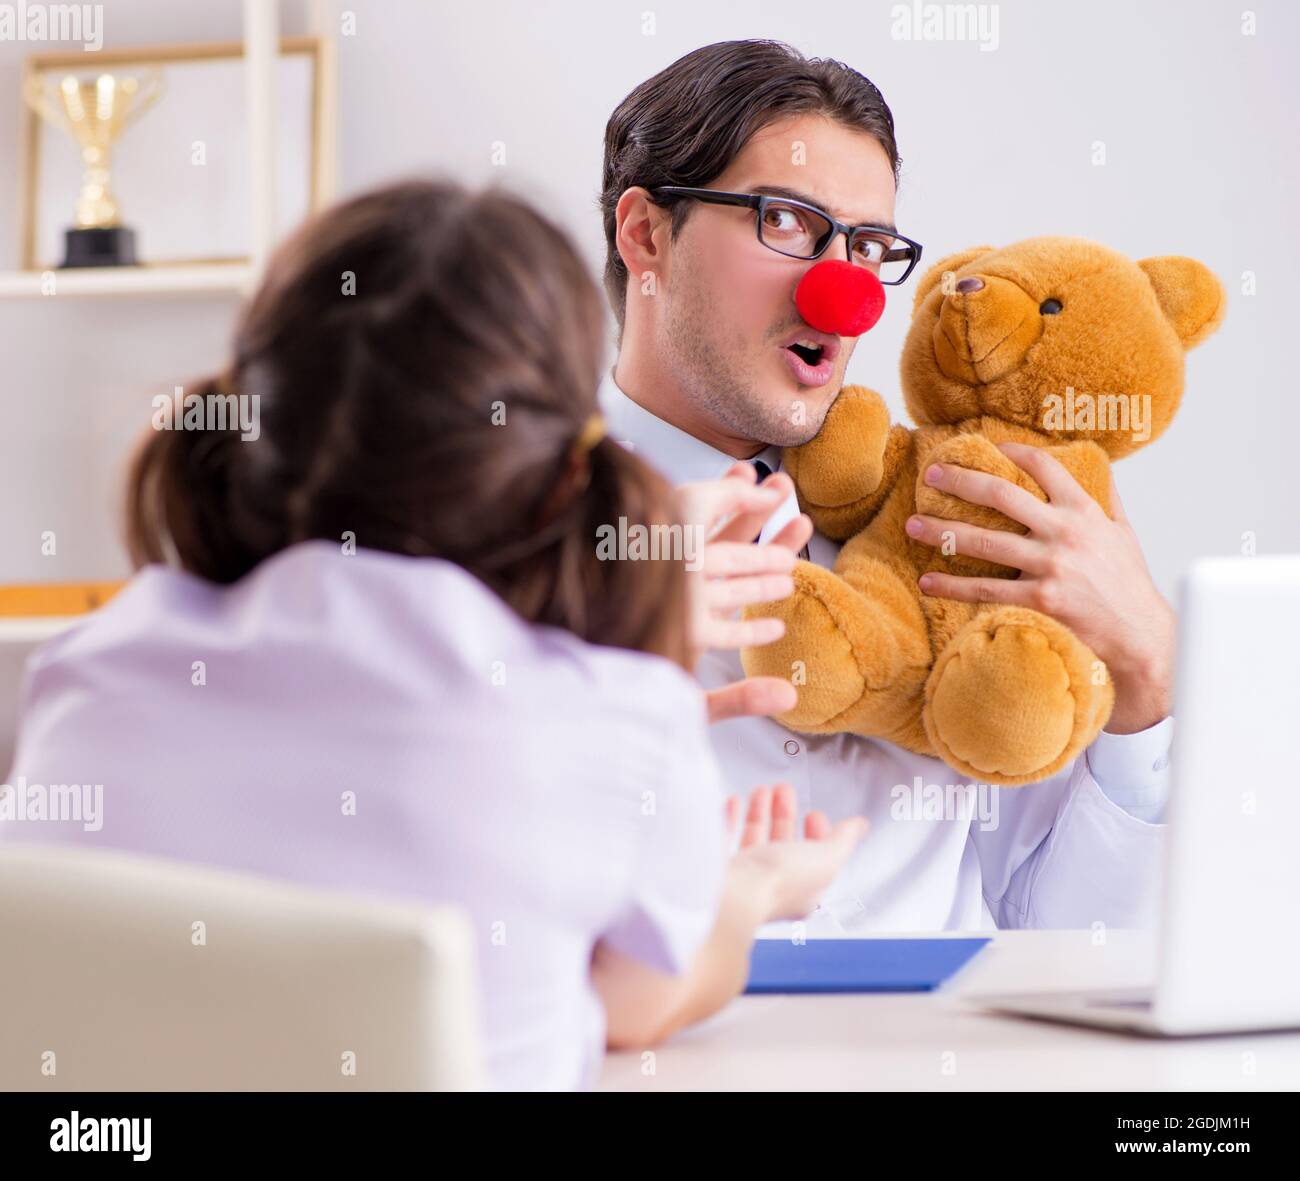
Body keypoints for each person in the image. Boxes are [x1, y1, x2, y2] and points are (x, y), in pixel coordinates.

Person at [0, 179, 866, 1090]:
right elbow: (641, 1002)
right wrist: (756, 884)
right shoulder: (619, 717)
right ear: (563, 473)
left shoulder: (91, 670)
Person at [598, 40, 1175, 933]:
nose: (843, 292)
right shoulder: (500, 533)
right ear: (646, 235)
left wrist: (1146, 677)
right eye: (785, 221)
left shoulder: (958, 515)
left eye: (866, 245)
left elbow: (1058, 942)